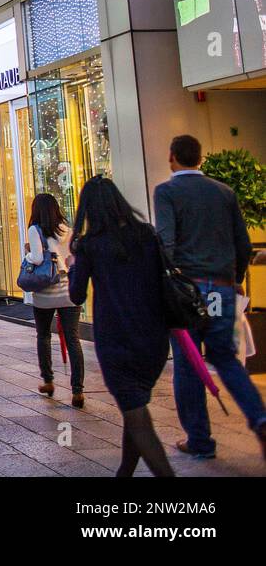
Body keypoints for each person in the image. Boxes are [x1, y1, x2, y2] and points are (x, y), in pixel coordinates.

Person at [154, 134, 266, 461]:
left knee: (188, 363)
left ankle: (200, 440)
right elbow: (243, 245)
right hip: (221, 287)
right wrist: (236, 279)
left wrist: (168, 283)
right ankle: (260, 419)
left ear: (172, 156)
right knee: (225, 357)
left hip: (188, 290)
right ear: (201, 159)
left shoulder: (167, 192)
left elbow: (166, 243)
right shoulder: (224, 192)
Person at [69, 176, 174, 477]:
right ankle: (124, 472)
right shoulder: (147, 234)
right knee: (135, 407)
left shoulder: (90, 245)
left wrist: (74, 263)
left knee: (136, 414)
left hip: (117, 341)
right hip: (154, 338)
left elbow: (76, 295)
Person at [23, 192, 85, 408]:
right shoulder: (66, 229)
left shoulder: (35, 229)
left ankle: (48, 380)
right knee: (73, 339)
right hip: (68, 288)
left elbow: (38, 258)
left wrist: (28, 253)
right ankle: (78, 391)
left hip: (45, 291)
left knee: (43, 335)